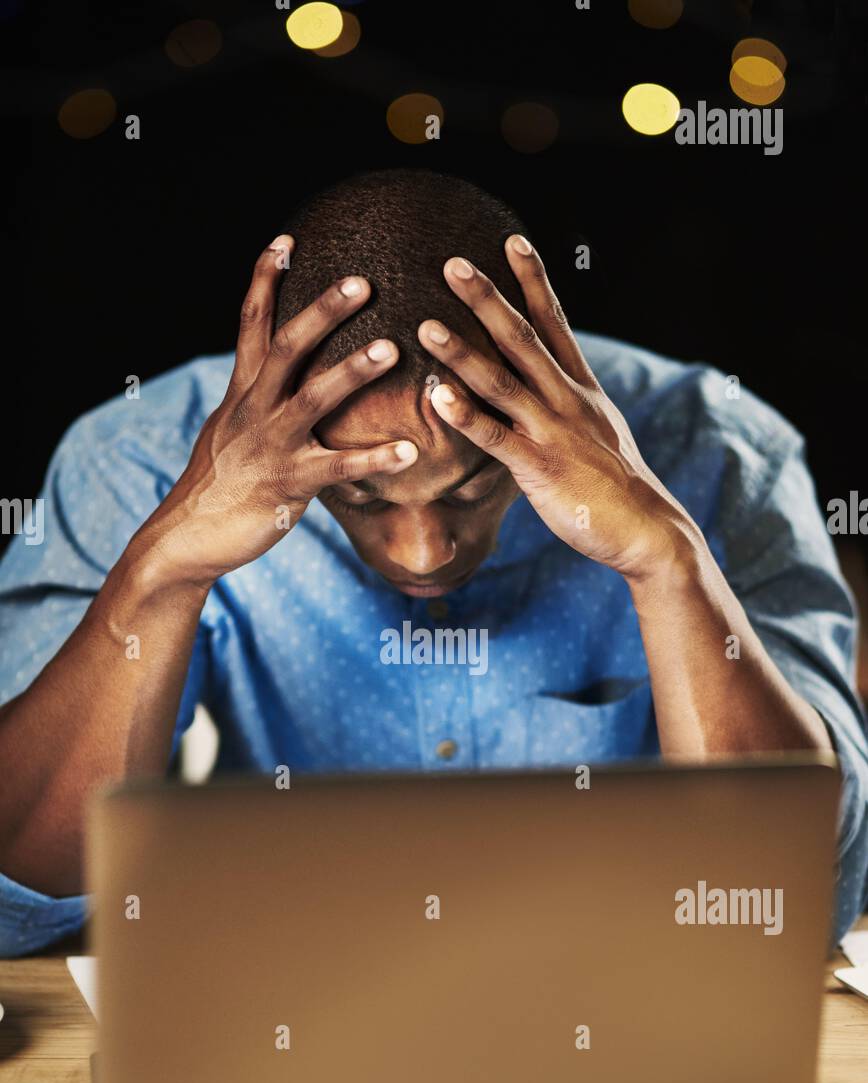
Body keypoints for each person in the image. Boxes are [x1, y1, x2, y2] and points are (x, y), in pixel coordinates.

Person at [0, 169, 865, 957]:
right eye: (365, 496)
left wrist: (667, 561)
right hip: (286, 1007)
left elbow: (785, 898)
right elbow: (23, 885)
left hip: (631, 1006)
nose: (425, 554)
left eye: (472, 488)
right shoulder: (138, 459)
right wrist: (163, 573)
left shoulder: (720, 451)